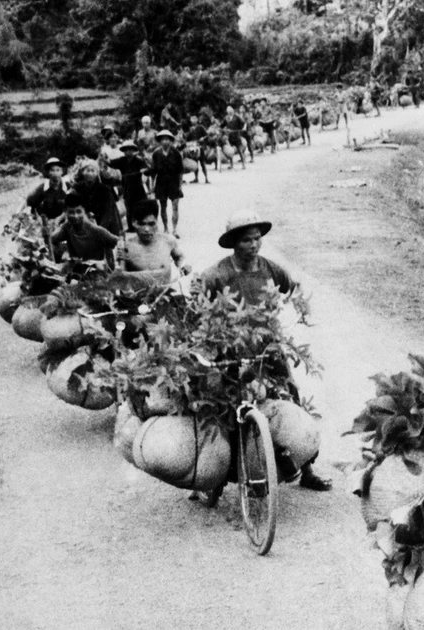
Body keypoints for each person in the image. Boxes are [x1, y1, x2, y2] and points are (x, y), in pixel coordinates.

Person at [199, 211, 332, 492]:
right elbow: (196, 304)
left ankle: (307, 467)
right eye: (247, 240)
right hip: (230, 352)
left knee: (289, 397)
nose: (254, 245)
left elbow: (293, 289)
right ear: (234, 243)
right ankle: (216, 475)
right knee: (223, 407)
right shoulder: (217, 274)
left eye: (257, 239)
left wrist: (298, 310)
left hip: (267, 348)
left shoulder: (271, 269)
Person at [115, 201, 189, 285]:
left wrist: (183, 266)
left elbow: (179, 257)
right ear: (134, 223)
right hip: (137, 295)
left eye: (151, 224)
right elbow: (121, 279)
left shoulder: (168, 241)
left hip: (164, 292)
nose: (147, 229)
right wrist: (119, 266)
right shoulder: (126, 246)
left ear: (156, 222)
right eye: (142, 224)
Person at [51, 193, 120, 266]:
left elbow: (119, 243)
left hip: (95, 271)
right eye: (71, 212)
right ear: (65, 212)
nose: (75, 216)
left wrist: (113, 262)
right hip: (76, 270)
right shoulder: (67, 228)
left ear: (84, 211)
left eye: (78, 211)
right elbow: (51, 239)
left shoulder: (95, 230)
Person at [73, 159, 123, 236]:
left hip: (106, 224)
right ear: (82, 172)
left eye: (93, 171)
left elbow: (107, 213)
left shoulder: (105, 189)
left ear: (97, 173)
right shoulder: (77, 188)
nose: (90, 173)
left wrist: (99, 230)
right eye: (87, 170)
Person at [149, 130, 184, 235]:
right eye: (163, 139)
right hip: (161, 183)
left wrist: (180, 186)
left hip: (173, 182)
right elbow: (153, 171)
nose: (165, 142)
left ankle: (174, 229)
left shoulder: (176, 153)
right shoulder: (156, 153)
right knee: (163, 206)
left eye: (167, 139)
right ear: (160, 141)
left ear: (171, 141)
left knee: (175, 206)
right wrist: (152, 185)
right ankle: (165, 228)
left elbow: (180, 171)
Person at [108, 140, 151, 211]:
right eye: (126, 149)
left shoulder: (138, 160)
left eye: (130, 149)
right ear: (124, 151)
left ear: (133, 150)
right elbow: (110, 163)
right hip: (126, 187)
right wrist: (103, 159)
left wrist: (144, 170)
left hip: (138, 186)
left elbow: (146, 169)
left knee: (142, 207)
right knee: (129, 209)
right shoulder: (121, 160)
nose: (128, 151)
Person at [184, 114, 211, 184]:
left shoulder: (201, 127)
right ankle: (196, 178)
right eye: (191, 119)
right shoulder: (190, 129)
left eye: (194, 119)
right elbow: (188, 138)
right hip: (193, 146)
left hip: (201, 147)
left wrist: (203, 138)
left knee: (202, 163)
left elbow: (207, 135)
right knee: (195, 162)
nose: (193, 121)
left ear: (196, 120)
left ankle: (206, 178)